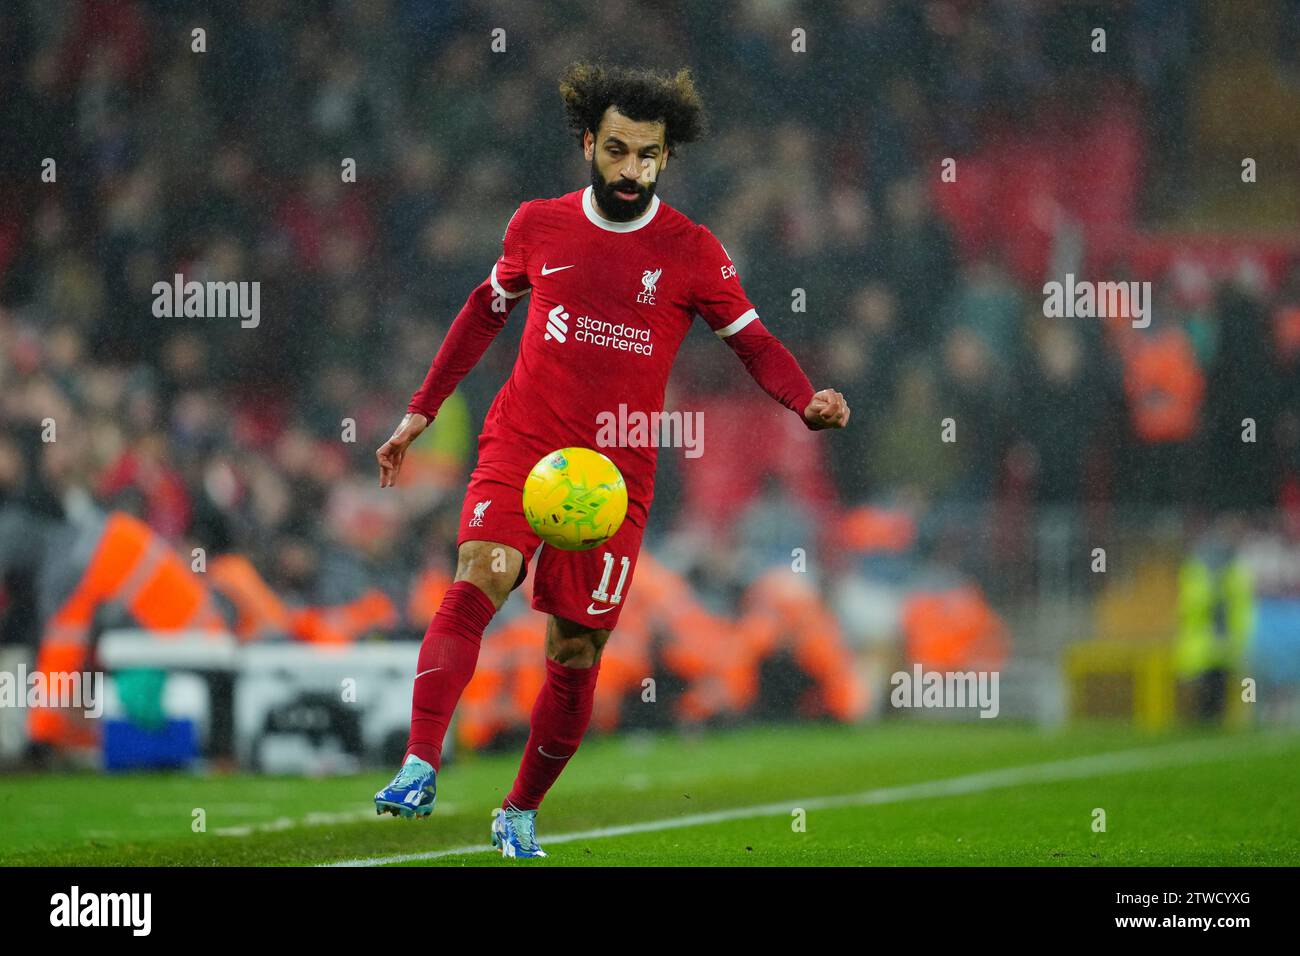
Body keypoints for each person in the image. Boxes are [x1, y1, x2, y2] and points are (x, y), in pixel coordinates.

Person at [371, 62, 850, 859]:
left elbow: (755, 342)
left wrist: (803, 401)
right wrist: (421, 410)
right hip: (523, 442)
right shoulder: (537, 226)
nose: (632, 170)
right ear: (590, 143)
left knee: (574, 651)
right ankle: (420, 761)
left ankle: (519, 809)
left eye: (649, 156)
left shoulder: (693, 252)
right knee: (479, 573)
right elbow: (481, 314)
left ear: (667, 158)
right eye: (619, 150)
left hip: (616, 473)